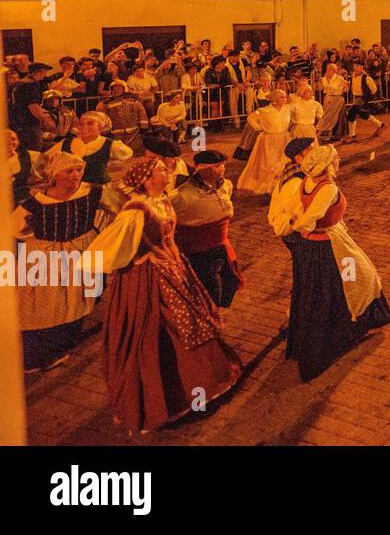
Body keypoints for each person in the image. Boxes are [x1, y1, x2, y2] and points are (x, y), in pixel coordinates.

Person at [88, 157, 242, 435]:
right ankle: (160, 402)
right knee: (155, 336)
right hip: (148, 279)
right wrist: (136, 261)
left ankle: (198, 386)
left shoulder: (164, 200)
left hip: (175, 269)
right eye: (160, 170)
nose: (167, 172)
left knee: (187, 328)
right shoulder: (135, 212)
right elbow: (105, 251)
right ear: (146, 180)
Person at [273, 145, 390, 381]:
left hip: (313, 245)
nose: (338, 161)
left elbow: (298, 212)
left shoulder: (306, 181)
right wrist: (303, 226)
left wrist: (299, 227)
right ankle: (342, 333)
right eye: (335, 159)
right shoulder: (328, 188)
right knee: (357, 280)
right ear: (326, 164)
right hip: (326, 244)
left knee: (317, 293)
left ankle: (316, 340)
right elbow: (310, 218)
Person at [11, 152, 108, 372]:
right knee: (40, 307)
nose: (76, 175)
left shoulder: (93, 192)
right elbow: (13, 228)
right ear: (55, 176)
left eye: (79, 170)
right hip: (46, 256)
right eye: (69, 171)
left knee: (77, 300)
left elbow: (121, 207)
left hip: (81, 251)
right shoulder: (34, 204)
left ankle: (62, 346)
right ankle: (36, 355)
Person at [172, 150, 242, 308]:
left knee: (226, 283)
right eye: (217, 166)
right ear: (200, 168)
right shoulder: (182, 195)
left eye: (223, 165)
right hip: (197, 251)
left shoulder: (226, 185)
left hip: (220, 246)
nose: (223, 169)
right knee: (209, 288)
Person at [53, 111, 132, 186]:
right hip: (72, 191)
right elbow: (46, 159)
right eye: (81, 124)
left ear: (100, 127)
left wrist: (110, 162)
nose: (84, 127)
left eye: (90, 124)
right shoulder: (67, 143)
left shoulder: (109, 144)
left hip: (98, 189)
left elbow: (126, 155)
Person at [236, 89, 293, 194]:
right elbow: (251, 118)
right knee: (268, 163)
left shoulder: (288, 109)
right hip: (269, 140)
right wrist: (260, 127)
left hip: (284, 139)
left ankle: (283, 183)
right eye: (281, 97)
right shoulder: (264, 111)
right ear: (274, 99)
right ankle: (268, 184)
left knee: (284, 161)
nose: (284, 99)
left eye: (285, 97)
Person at [345, 64, 386, 140]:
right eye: (354, 66)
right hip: (356, 97)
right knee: (362, 114)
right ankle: (380, 125)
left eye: (357, 66)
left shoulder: (366, 78)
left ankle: (352, 135)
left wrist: (367, 97)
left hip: (363, 98)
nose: (355, 67)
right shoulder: (353, 77)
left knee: (351, 112)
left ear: (362, 68)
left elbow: (374, 89)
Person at [316, 64, 350, 143]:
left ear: (334, 70)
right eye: (327, 68)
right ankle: (326, 134)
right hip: (328, 99)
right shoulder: (324, 79)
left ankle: (335, 135)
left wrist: (343, 90)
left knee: (335, 117)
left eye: (330, 69)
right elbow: (320, 88)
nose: (328, 70)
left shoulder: (339, 78)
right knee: (326, 116)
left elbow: (347, 86)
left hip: (337, 99)